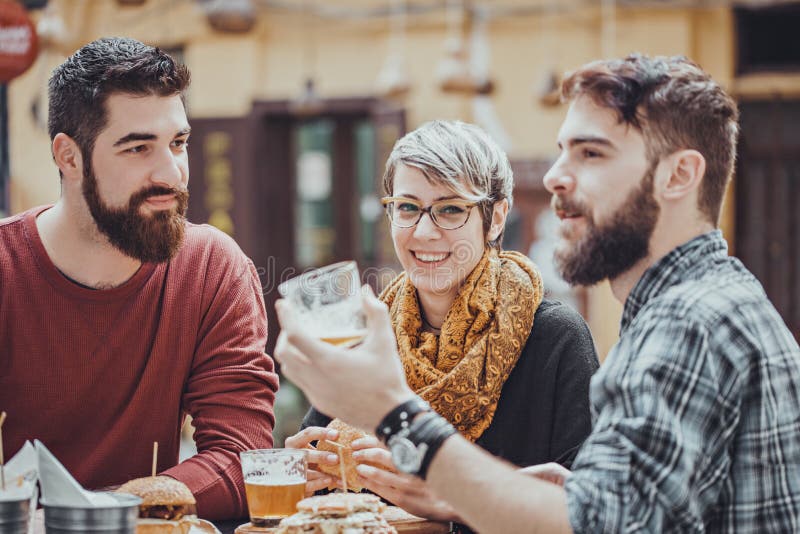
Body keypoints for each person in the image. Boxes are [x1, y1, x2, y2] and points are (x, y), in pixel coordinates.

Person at [274, 54, 800, 533]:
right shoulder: (702, 306)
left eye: (591, 153)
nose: (553, 177)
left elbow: (597, 528)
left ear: (679, 175)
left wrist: (397, 417)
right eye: (407, 208)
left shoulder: (689, 324)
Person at [0, 37, 279, 521]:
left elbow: (242, 457)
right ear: (69, 157)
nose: (171, 173)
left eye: (178, 143)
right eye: (137, 148)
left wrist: (103, 513)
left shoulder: (211, 267)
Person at [285, 120, 598, 523]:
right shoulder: (364, 337)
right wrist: (304, 477)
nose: (424, 231)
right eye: (407, 207)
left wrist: (449, 504)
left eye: (450, 209)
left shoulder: (555, 339)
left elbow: (587, 512)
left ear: (496, 217)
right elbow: (329, 493)